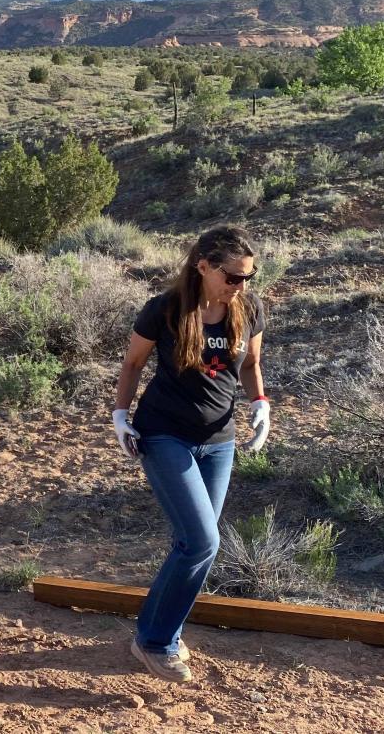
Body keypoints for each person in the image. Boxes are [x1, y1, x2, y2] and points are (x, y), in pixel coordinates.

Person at [111, 225, 270, 684]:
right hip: (164, 434)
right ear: (203, 266)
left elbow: (251, 364)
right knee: (202, 542)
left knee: (194, 544)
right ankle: (157, 642)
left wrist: (260, 403)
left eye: (248, 277)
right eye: (233, 277)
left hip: (219, 440)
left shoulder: (248, 308)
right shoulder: (164, 310)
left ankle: (158, 632)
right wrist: (120, 415)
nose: (240, 285)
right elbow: (133, 363)